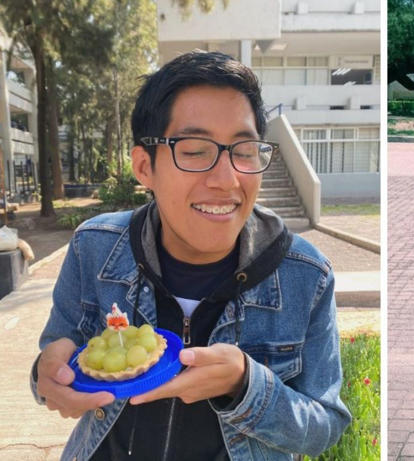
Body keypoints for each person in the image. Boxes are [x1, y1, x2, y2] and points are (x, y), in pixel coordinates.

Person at [30, 51, 351, 460]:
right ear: (144, 167)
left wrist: (246, 385)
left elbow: (324, 425)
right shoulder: (94, 246)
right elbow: (54, 363)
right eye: (195, 151)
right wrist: (49, 377)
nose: (227, 179)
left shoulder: (306, 275)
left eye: (244, 150)